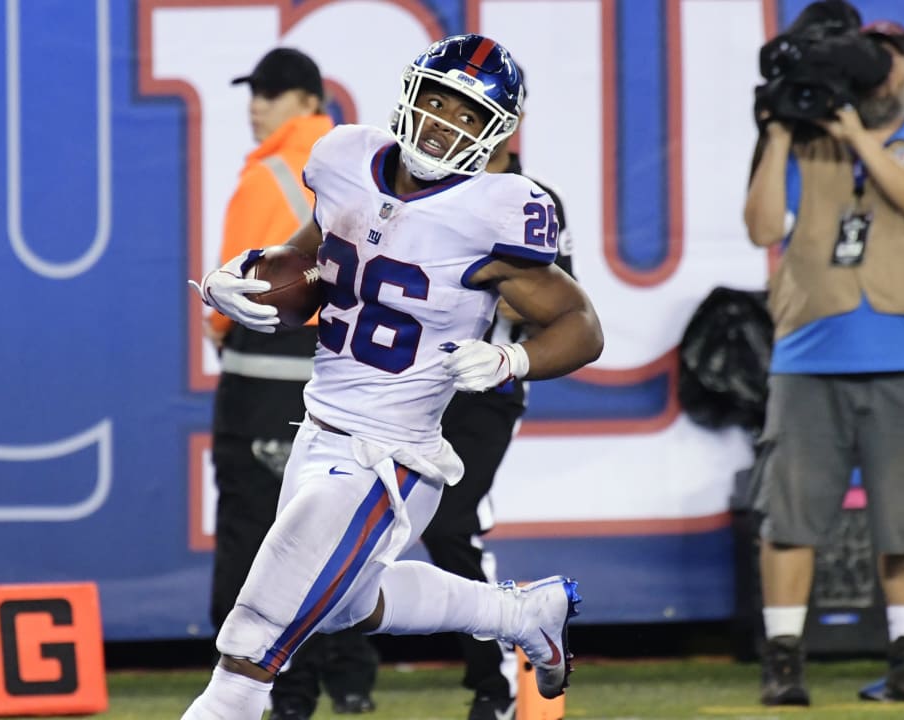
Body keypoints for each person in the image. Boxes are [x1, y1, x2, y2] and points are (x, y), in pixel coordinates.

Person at [185, 33, 604, 720]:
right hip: (318, 426)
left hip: (391, 454)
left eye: (468, 114)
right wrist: (252, 279)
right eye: (438, 100)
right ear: (410, 92)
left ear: (496, 133)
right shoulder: (346, 159)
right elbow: (313, 265)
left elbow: (581, 325)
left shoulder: (494, 211)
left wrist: (513, 359)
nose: (445, 122)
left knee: (252, 644)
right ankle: (523, 612)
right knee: (345, 607)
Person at [744, 18, 904, 706]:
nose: (874, 75)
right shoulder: (802, 141)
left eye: (886, 62)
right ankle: (784, 663)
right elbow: (760, 228)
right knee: (789, 521)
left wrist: (858, 137)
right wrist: (778, 130)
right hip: (808, 357)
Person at [205, 47, 378, 718]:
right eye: (254, 91)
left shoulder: (271, 171)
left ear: (308, 100)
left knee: (258, 531)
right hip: (350, 373)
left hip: (266, 370)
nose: (257, 103)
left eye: (272, 92)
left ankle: (264, 686)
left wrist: (223, 330)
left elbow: (245, 286)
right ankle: (355, 676)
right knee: (339, 527)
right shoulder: (368, 167)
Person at [424, 136, 575, 720]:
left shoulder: (534, 201)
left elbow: (554, 303)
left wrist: (475, 275)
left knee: (450, 525)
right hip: (413, 388)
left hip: (489, 386)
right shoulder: (431, 189)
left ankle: (498, 679)